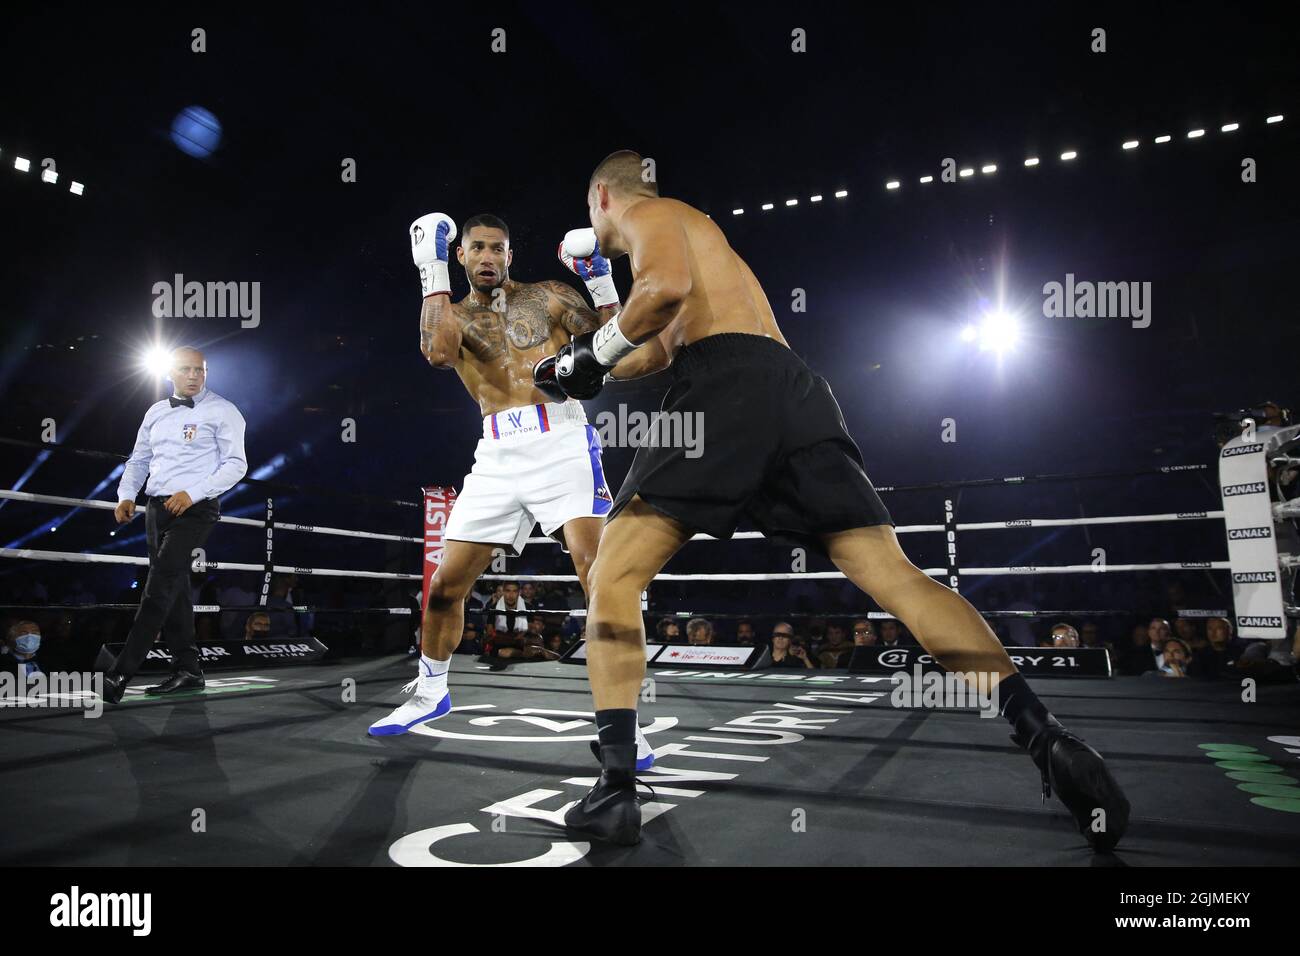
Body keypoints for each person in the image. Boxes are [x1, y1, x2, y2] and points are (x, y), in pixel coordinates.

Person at [540, 150, 1129, 848]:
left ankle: (614, 789)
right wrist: (581, 364)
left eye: (589, 209)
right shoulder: (693, 240)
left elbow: (662, 291)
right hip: (796, 392)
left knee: (612, 573)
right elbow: (654, 348)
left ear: (600, 197)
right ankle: (1044, 734)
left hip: (726, 387)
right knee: (897, 576)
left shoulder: (654, 212)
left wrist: (593, 352)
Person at [368, 212, 655, 770]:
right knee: (445, 588)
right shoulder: (448, 311)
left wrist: (598, 279)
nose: (488, 258)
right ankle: (431, 691)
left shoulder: (548, 296)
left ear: (509, 254)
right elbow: (436, 354)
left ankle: (626, 727)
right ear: (460, 255)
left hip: (563, 440)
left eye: (497, 248)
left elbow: (624, 348)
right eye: (476, 249)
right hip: (496, 452)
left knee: (600, 579)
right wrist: (428, 269)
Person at [98, 347, 248, 703]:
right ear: (171, 373)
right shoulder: (155, 411)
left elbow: (236, 465)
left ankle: (120, 673)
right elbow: (139, 459)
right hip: (155, 508)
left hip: (196, 509)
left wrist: (192, 493)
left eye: (201, 370)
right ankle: (188, 669)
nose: (195, 375)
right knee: (174, 589)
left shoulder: (224, 410)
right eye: (186, 369)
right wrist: (125, 494)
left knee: (158, 586)